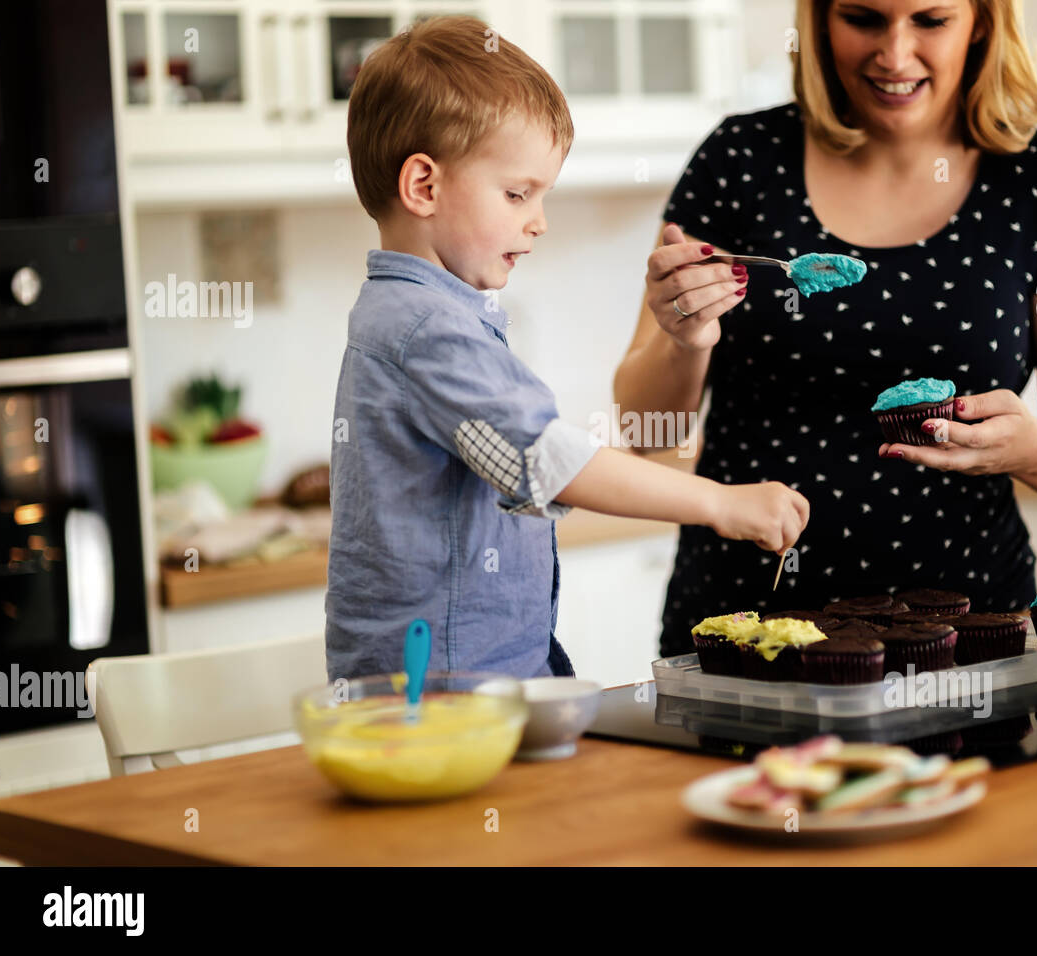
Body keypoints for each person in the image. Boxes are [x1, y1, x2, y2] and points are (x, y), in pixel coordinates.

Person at [613, 0, 1037, 658]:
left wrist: (1023, 448)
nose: (893, 53)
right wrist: (684, 337)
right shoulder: (739, 159)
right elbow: (640, 430)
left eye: (930, 20)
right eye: (863, 18)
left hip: (965, 630)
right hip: (747, 628)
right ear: (821, 22)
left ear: (982, 22)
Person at [325, 16, 809, 681]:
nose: (539, 221)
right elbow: (547, 463)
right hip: (444, 700)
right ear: (424, 187)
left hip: (467, 685)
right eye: (518, 193)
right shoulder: (425, 328)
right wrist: (722, 503)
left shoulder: (418, 314)